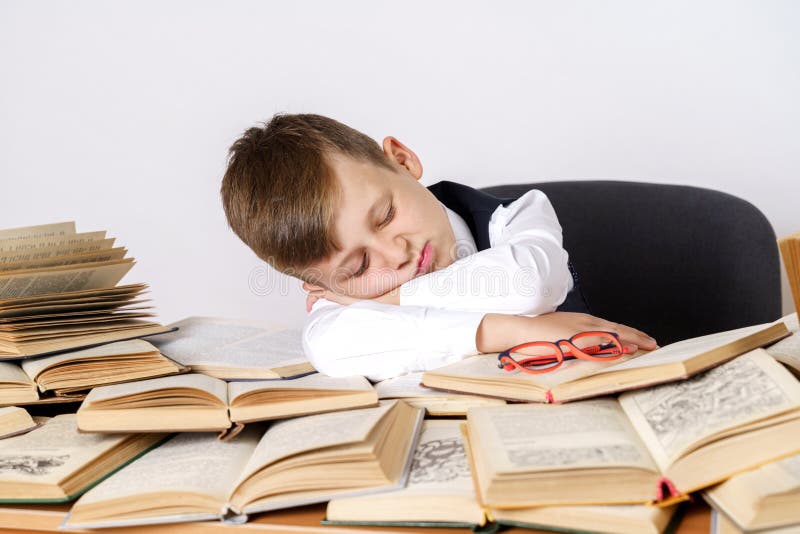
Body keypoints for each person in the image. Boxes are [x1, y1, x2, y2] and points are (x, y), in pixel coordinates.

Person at [220, 113, 657, 380]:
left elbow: (528, 286)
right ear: (316, 286)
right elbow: (330, 348)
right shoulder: (337, 313)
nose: (396, 253)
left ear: (402, 161)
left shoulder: (518, 216)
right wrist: (509, 332)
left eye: (386, 216)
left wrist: (392, 296)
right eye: (358, 267)